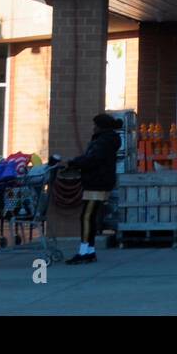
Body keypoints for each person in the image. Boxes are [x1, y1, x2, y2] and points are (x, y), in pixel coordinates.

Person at [62, 113, 122, 264]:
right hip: (101, 181)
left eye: (95, 125)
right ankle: (90, 250)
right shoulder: (108, 140)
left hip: (96, 182)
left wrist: (73, 163)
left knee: (87, 217)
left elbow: (92, 159)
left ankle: (84, 251)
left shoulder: (103, 141)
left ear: (101, 126)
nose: (93, 128)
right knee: (91, 216)